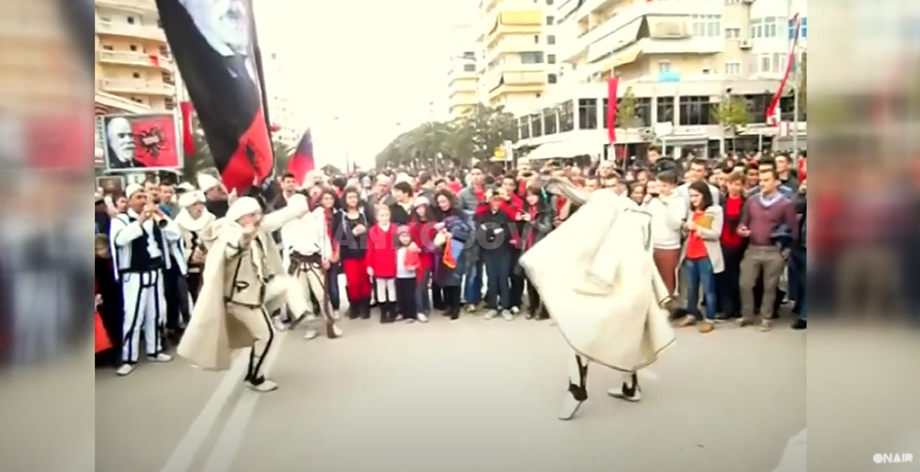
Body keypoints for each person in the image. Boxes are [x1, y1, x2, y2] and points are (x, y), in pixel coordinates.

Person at [520, 177, 674, 421]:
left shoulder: (608, 215)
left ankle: (577, 391)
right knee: (628, 337)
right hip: (637, 289)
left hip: (611, 288)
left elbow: (583, 243)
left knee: (579, 336)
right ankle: (629, 387)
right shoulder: (639, 215)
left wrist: (557, 183)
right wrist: (559, 184)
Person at [177, 196, 313, 392]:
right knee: (265, 336)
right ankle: (254, 377)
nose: (257, 217)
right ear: (241, 217)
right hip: (241, 298)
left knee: (288, 284)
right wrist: (245, 237)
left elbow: (276, 219)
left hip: (256, 291)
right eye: (252, 214)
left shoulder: (258, 228)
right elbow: (232, 249)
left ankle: (301, 313)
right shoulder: (229, 232)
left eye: (258, 213)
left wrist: (296, 208)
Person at [108, 184, 183, 376]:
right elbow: (120, 241)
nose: (143, 200)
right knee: (133, 316)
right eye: (139, 197)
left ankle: (154, 349)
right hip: (134, 274)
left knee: (156, 313)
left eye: (145, 196)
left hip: (155, 271)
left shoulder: (155, 219)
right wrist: (140, 220)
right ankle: (129, 357)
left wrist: (161, 216)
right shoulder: (121, 220)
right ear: (130, 201)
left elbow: (175, 235)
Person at [280, 193, 343, 340]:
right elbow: (286, 247)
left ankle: (330, 324)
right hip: (296, 262)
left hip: (314, 260)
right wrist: (286, 265)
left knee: (321, 294)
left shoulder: (316, 219)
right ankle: (311, 327)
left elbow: (324, 239)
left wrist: (326, 256)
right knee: (303, 297)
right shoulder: (287, 224)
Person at [676, 180, 725, 333]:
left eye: (696, 195)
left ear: (705, 195)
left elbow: (715, 234)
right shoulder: (692, 211)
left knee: (708, 289)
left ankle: (710, 318)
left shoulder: (713, 210)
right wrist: (685, 228)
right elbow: (688, 233)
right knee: (692, 288)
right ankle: (692, 314)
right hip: (691, 254)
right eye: (691, 196)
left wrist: (697, 228)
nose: (693, 199)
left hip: (706, 255)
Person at [334, 187, 373, 319]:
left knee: (365, 279)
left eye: (354, 197)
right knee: (353, 281)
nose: (352, 200)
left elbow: (374, 227)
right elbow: (337, 235)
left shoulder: (364, 213)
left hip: (364, 251)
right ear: (345, 199)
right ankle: (354, 305)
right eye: (349, 197)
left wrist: (365, 229)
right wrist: (352, 233)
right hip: (348, 252)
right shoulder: (340, 215)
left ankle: (365, 306)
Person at [476, 191, 514, 320]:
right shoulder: (483, 215)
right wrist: (497, 232)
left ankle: (505, 307)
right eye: (493, 200)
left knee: (503, 279)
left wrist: (494, 233)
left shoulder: (505, 215)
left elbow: (509, 232)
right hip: (488, 251)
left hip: (503, 251)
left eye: (498, 200)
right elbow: (481, 232)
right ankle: (492, 306)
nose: (496, 203)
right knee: (491, 279)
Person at [518, 184, 554, 320]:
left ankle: (544, 310)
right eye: (528, 196)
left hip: (541, 248)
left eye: (533, 195)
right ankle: (532, 307)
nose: (530, 198)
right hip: (527, 247)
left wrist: (532, 221)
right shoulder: (526, 209)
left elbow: (547, 228)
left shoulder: (547, 211)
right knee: (530, 280)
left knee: (541, 281)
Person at [366, 206, 399, 323]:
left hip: (392, 262)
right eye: (381, 215)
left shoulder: (395, 229)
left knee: (392, 288)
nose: (384, 218)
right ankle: (383, 313)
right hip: (378, 262)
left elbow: (398, 246)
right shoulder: (373, 230)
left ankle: (392, 311)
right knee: (380, 288)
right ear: (377, 217)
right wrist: (369, 265)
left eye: (386, 215)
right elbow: (370, 249)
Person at [394, 226, 422, 321]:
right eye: (402, 236)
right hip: (399, 276)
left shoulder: (412, 248)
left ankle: (411, 314)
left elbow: (418, 262)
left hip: (410, 276)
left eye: (407, 236)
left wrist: (413, 267)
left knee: (409, 296)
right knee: (400, 296)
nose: (405, 238)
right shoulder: (397, 249)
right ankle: (401, 312)